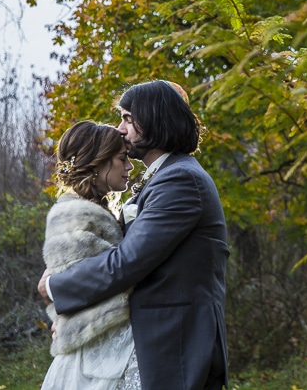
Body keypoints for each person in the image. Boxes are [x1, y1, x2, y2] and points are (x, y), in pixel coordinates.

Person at [39, 80, 230, 390]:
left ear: (155, 119)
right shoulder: (164, 178)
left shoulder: (180, 179)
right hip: (156, 341)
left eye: (128, 118)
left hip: (175, 343)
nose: (121, 129)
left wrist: (55, 287)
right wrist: (75, 322)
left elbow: (127, 263)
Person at [41, 120, 140, 390]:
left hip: (106, 346)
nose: (130, 167)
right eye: (122, 159)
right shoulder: (77, 215)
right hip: (95, 356)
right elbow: (101, 284)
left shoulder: (94, 211)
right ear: (97, 164)